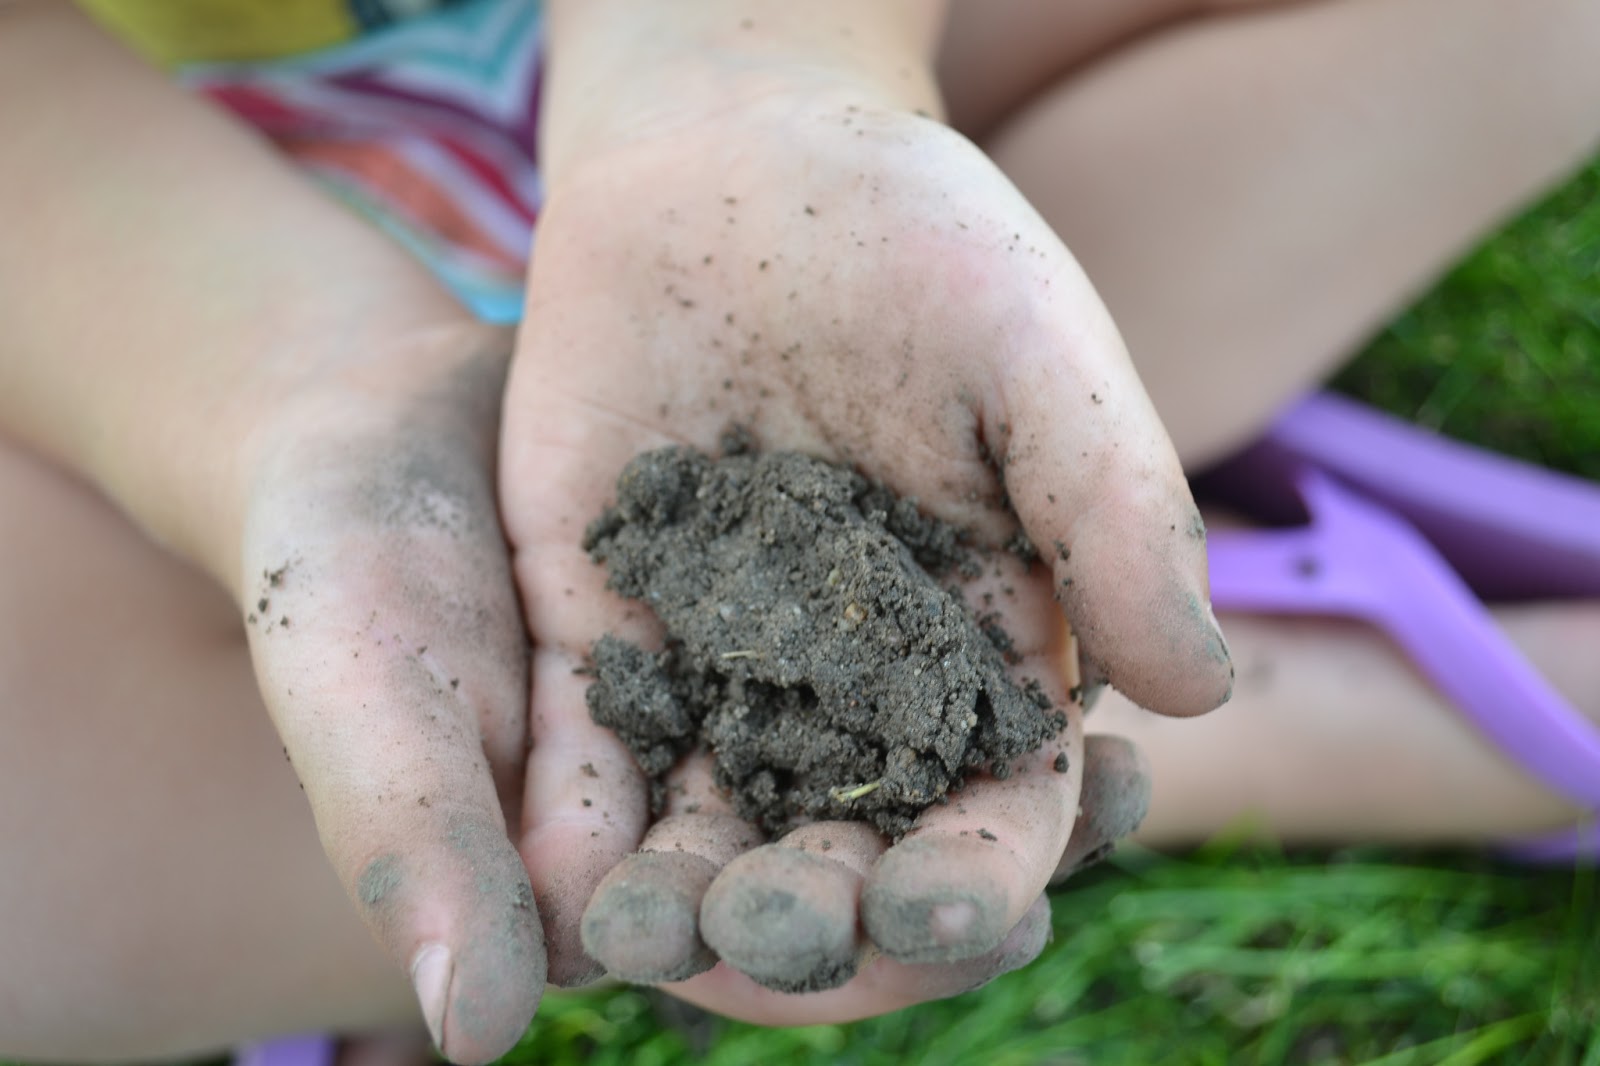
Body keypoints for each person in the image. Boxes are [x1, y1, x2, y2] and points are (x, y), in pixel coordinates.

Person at [1, 1, 1595, 1063]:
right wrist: (290, 387)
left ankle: (1073, 482)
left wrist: (747, 90)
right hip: (136, 257)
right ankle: (1330, 715)